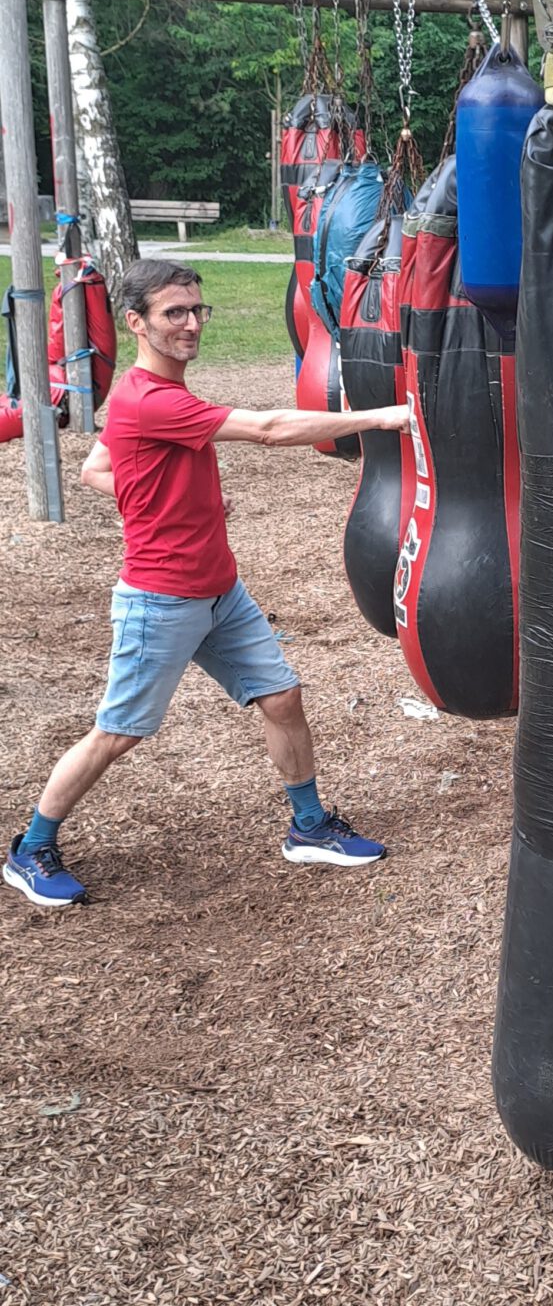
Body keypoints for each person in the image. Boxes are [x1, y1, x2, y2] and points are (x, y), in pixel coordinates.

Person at [4, 260, 410, 909]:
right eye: (174, 313)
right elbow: (269, 430)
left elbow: (96, 467)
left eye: (197, 310)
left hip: (219, 590)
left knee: (280, 696)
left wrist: (160, 501)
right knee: (119, 733)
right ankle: (30, 849)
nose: (191, 323)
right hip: (160, 599)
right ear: (136, 322)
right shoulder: (152, 398)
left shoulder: (147, 394)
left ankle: (307, 827)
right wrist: (382, 416)